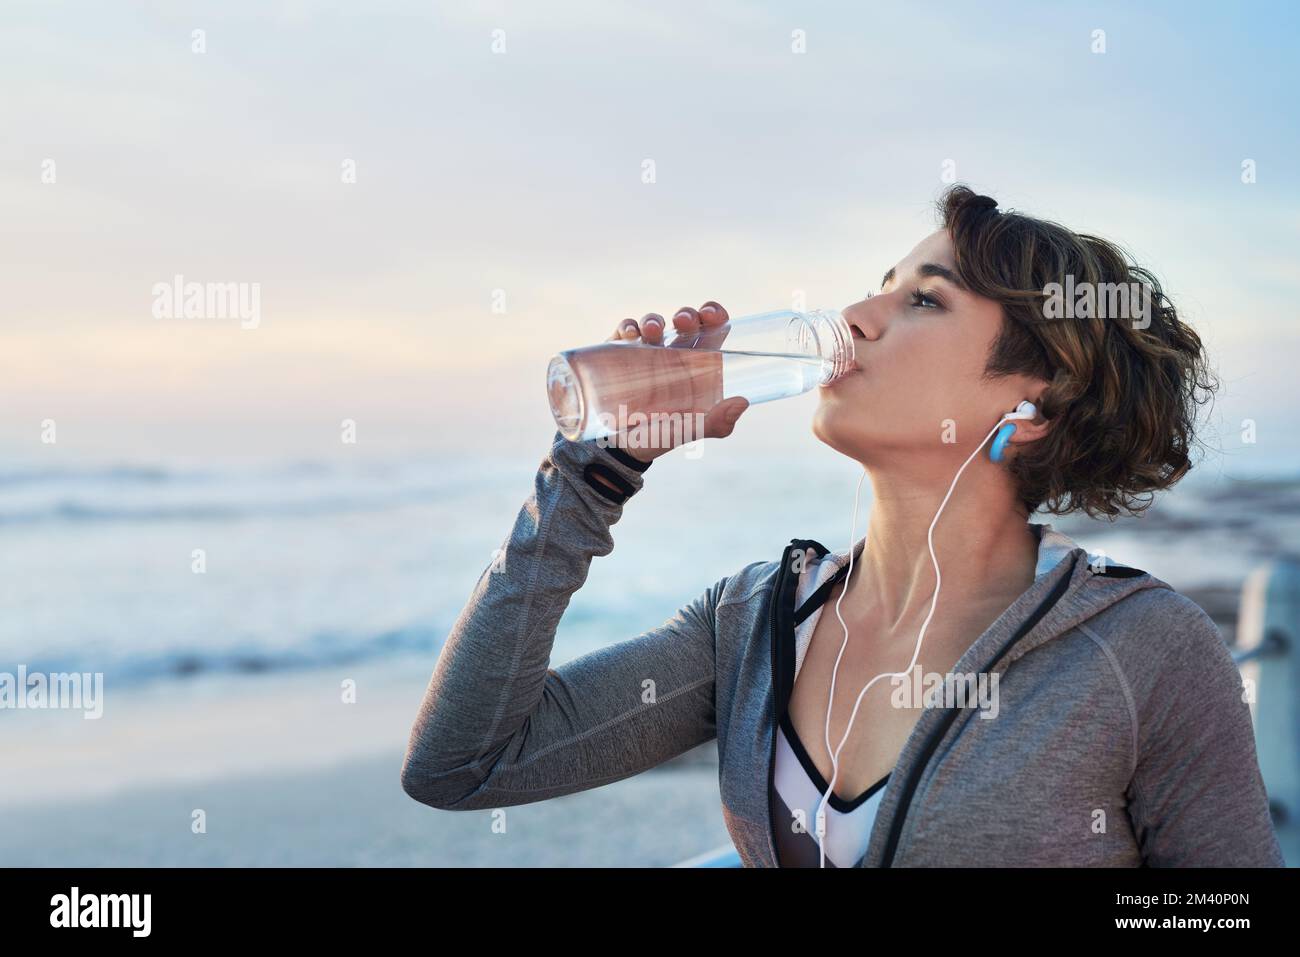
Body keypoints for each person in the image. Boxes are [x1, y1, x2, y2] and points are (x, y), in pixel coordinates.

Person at [400, 185, 1285, 867]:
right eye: (879, 289)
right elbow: (465, 763)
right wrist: (595, 470)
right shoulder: (752, 621)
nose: (855, 318)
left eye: (925, 302)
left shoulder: (1142, 649)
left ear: (1033, 401)